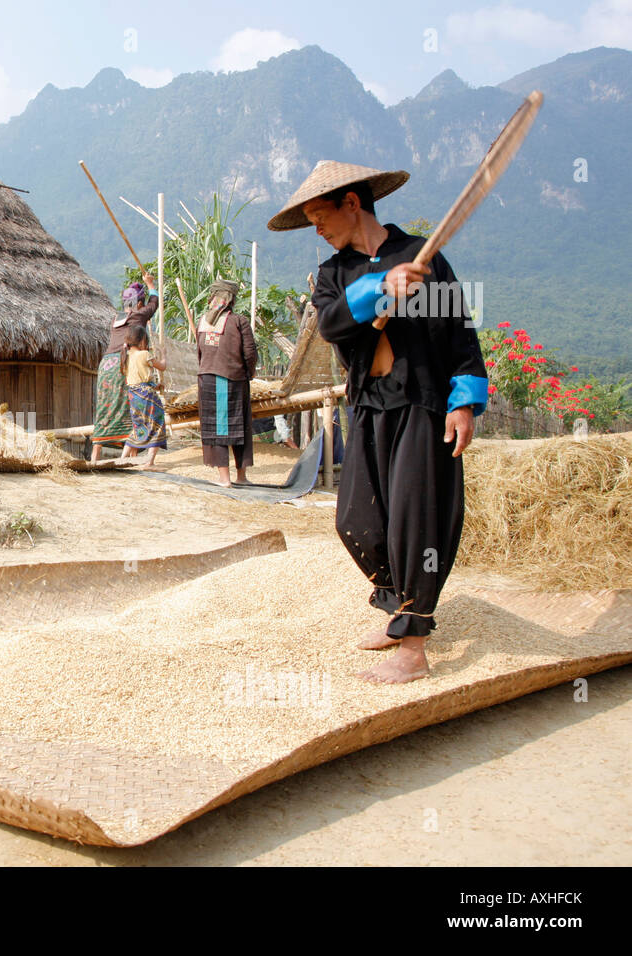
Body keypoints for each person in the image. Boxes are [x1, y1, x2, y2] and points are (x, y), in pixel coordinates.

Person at [268, 160, 488, 684]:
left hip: (422, 404)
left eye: (320, 216)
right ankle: (398, 608)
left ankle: (413, 646)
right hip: (369, 406)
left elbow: (461, 338)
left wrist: (463, 404)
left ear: (352, 203)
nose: (316, 229)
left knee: (417, 519)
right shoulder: (334, 274)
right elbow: (332, 325)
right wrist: (380, 289)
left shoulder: (423, 259)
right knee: (357, 521)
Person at [195, 279, 258, 486]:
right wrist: (249, 373)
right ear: (231, 299)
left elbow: (200, 352)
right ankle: (238, 477)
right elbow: (249, 352)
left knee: (217, 428)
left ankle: (224, 477)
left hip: (207, 379)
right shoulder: (239, 321)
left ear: (214, 298)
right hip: (232, 379)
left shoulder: (202, 321)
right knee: (236, 427)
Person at [91, 273, 157, 463]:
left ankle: (95, 455)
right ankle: (132, 456)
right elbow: (154, 303)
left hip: (107, 365)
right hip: (124, 364)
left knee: (106, 408)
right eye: (141, 303)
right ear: (138, 304)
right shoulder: (140, 314)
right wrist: (150, 284)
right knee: (132, 407)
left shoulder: (115, 319)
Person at [120, 326, 168, 469]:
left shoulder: (126, 357)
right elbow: (162, 366)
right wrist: (163, 355)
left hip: (134, 397)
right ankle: (149, 461)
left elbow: (137, 380)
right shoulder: (145, 354)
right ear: (142, 341)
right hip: (148, 396)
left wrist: (156, 385)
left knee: (139, 426)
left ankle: (122, 459)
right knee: (157, 424)